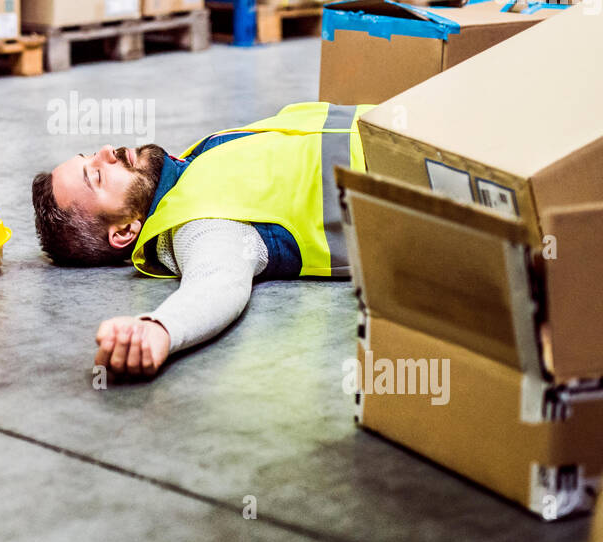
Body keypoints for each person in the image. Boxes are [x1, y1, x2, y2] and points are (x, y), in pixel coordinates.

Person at [31, 102, 371, 378]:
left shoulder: (191, 165)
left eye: (91, 154)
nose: (107, 150)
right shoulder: (197, 223)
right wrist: (160, 328)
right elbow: (217, 282)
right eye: (97, 175)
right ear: (124, 232)